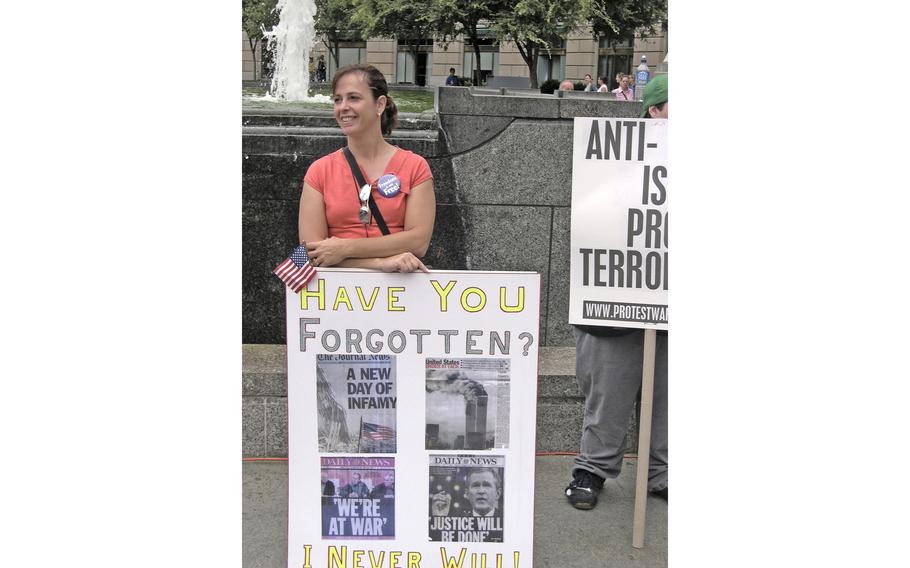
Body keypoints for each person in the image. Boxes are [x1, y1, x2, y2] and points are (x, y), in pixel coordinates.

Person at [565, 73, 669, 510]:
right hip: (618, 303)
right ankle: (593, 467)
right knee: (608, 388)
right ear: (656, 111)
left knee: (671, 392)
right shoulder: (615, 161)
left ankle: (663, 471)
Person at [299, 64, 436, 273]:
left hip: (399, 295)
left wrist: (344, 247)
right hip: (335, 297)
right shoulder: (319, 172)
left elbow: (418, 241)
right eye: (338, 99)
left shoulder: (415, 167)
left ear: (380, 104)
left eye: (354, 98)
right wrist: (380, 264)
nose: (343, 106)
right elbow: (312, 253)